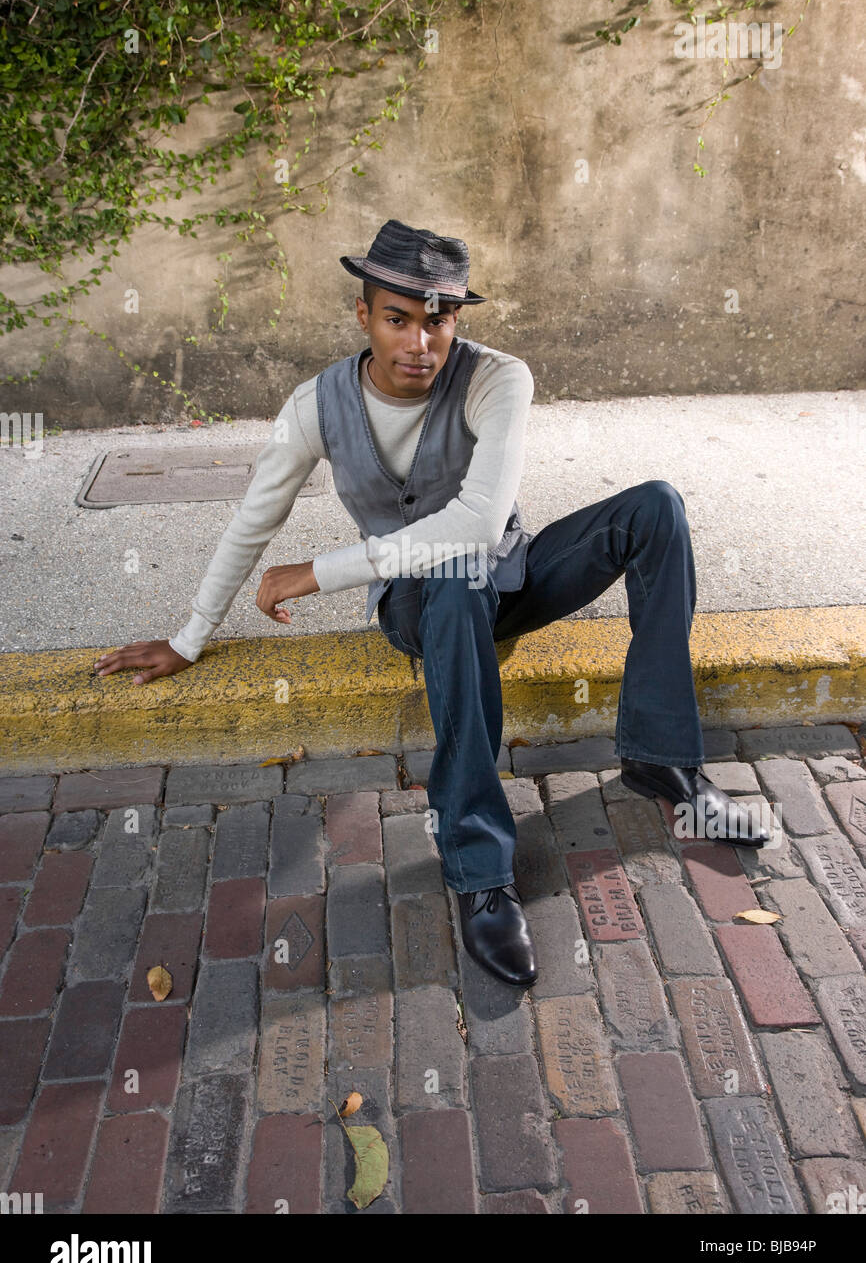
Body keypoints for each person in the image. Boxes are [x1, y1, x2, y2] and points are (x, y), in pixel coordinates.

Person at [94, 218, 769, 989]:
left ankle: (662, 759)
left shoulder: (498, 378)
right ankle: (481, 869)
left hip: (509, 573)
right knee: (450, 584)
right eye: (398, 318)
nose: (419, 341)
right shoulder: (316, 406)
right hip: (422, 605)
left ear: (458, 319)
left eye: (438, 319)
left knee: (656, 508)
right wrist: (189, 635)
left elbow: (481, 524)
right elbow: (254, 517)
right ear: (364, 317)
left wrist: (320, 571)